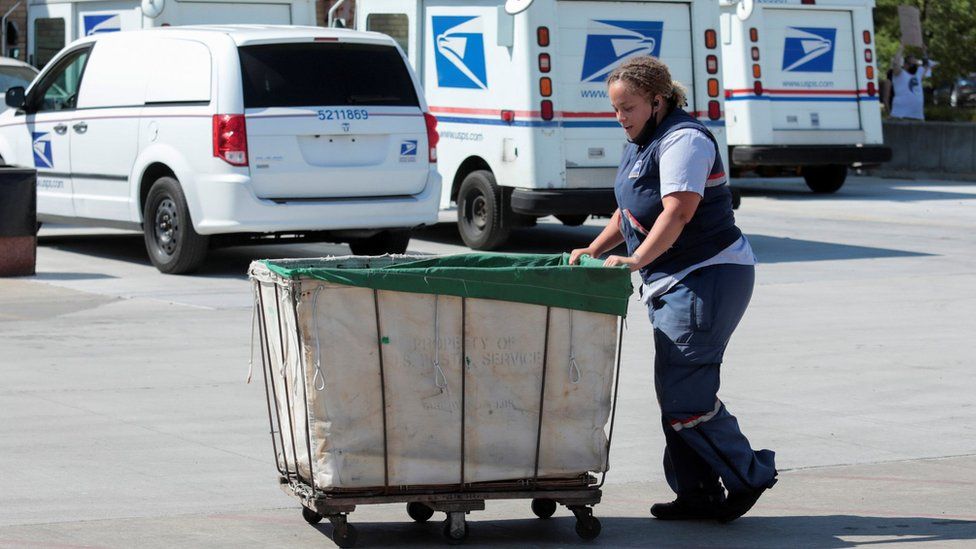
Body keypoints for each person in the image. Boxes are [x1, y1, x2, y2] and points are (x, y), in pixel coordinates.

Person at [569, 56, 777, 522]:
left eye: (628, 108)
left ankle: (749, 475)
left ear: (658, 101)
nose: (620, 118)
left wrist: (636, 260)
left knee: (686, 395)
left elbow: (678, 211)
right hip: (674, 279)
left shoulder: (684, 139)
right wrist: (594, 248)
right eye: (615, 109)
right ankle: (697, 494)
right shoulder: (642, 141)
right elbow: (629, 210)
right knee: (675, 392)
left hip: (706, 275)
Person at [884, 45, 934, 120]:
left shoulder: (918, 74)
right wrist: (901, 47)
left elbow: (926, 65)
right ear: (905, 64)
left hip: (917, 116)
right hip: (900, 116)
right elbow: (895, 63)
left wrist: (924, 52)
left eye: (914, 64)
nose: (912, 65)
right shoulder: (899, 73)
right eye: (910, 63)